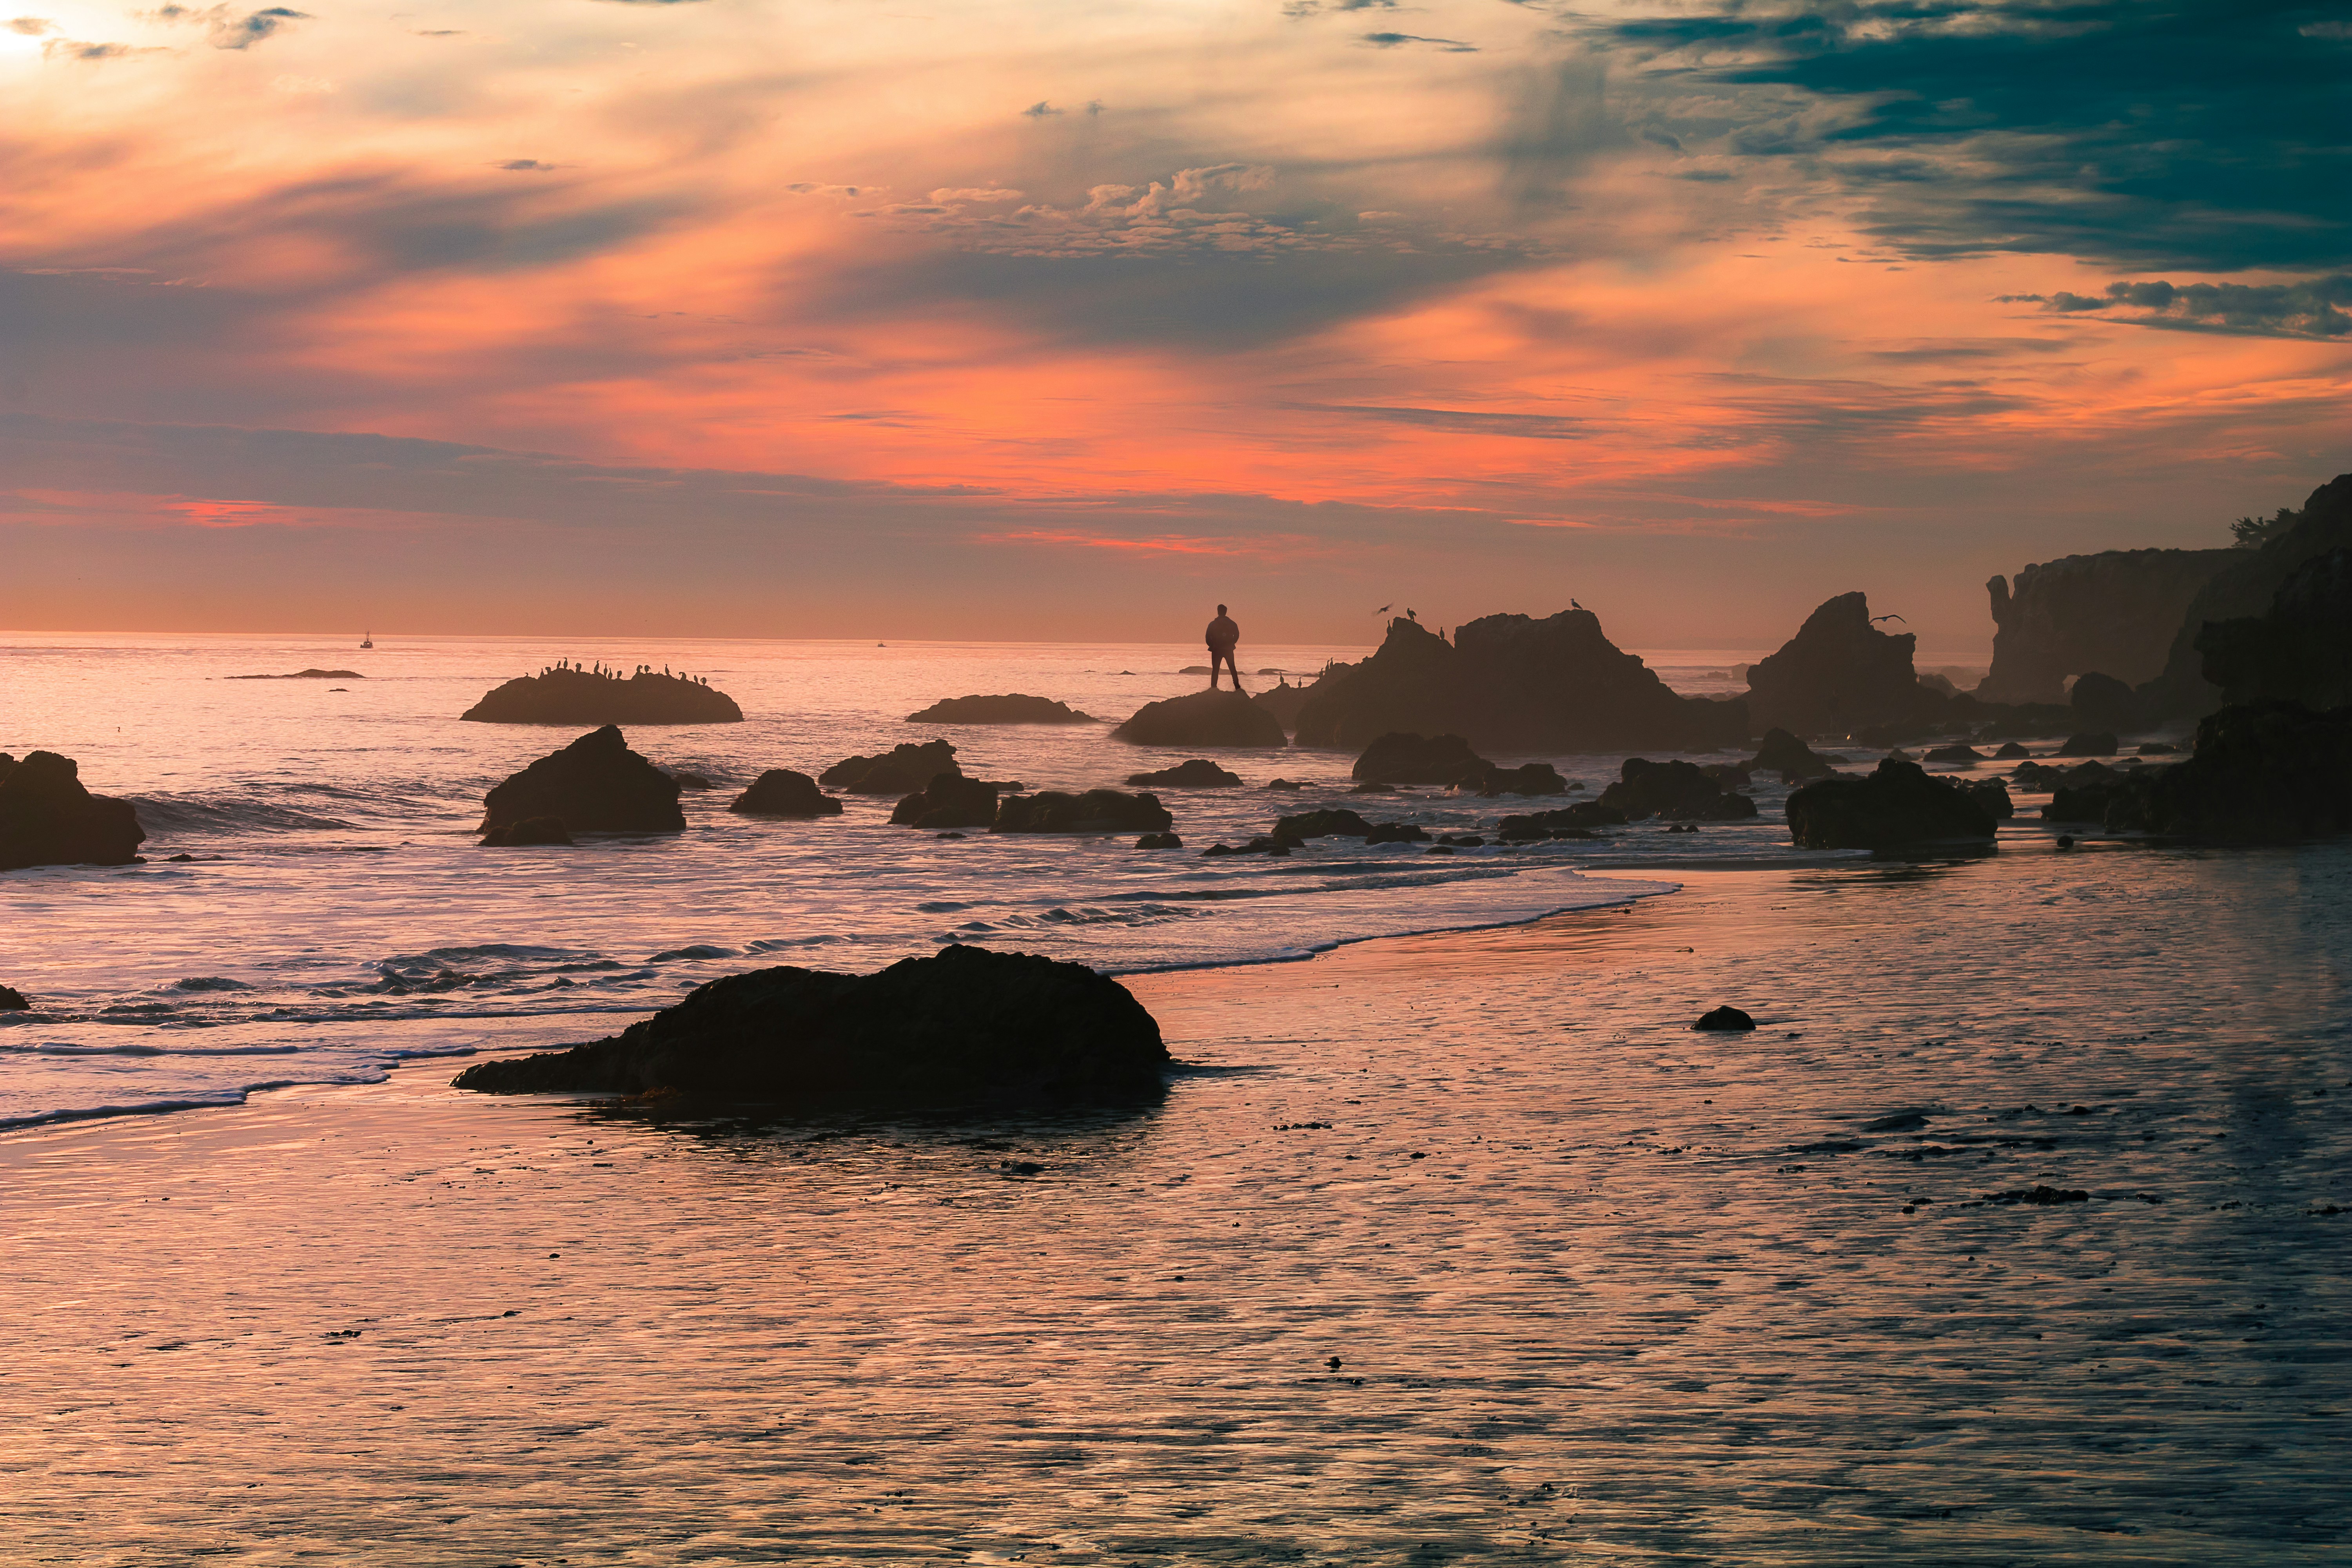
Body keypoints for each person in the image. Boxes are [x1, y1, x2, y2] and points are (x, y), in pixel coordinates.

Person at [1205, 604, 1242, 691]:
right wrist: (1231, 643)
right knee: (1232, 668)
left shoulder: (1212, 624)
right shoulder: (1233, 624)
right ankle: (1237, 686)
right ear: (1226, 612)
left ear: (1218, 612)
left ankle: (1214, 687)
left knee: (1215, 670)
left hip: (1216, 649)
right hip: (1229, 649)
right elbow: (1237, 635)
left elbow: (1207, 637)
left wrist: (1212, 645)